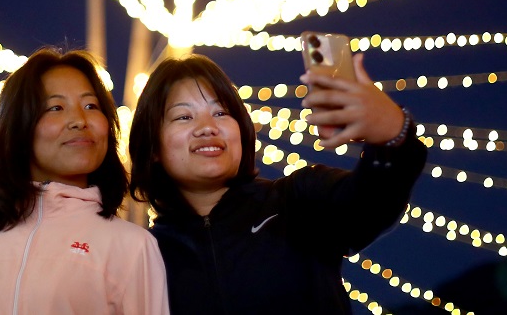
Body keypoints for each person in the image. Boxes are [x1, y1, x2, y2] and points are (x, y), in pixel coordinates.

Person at [128, 52, 426, 314]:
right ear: (153, 147)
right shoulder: (142, 255)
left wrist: (392, 135)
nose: (207, 127)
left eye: (221, 112)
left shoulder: (297, 200)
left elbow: (372, 203)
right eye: (183, 117)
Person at [0, 48, 169, 314]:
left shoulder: (131, 247)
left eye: (91, 106)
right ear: (19, 128)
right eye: (56, 107)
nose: (79, 120)